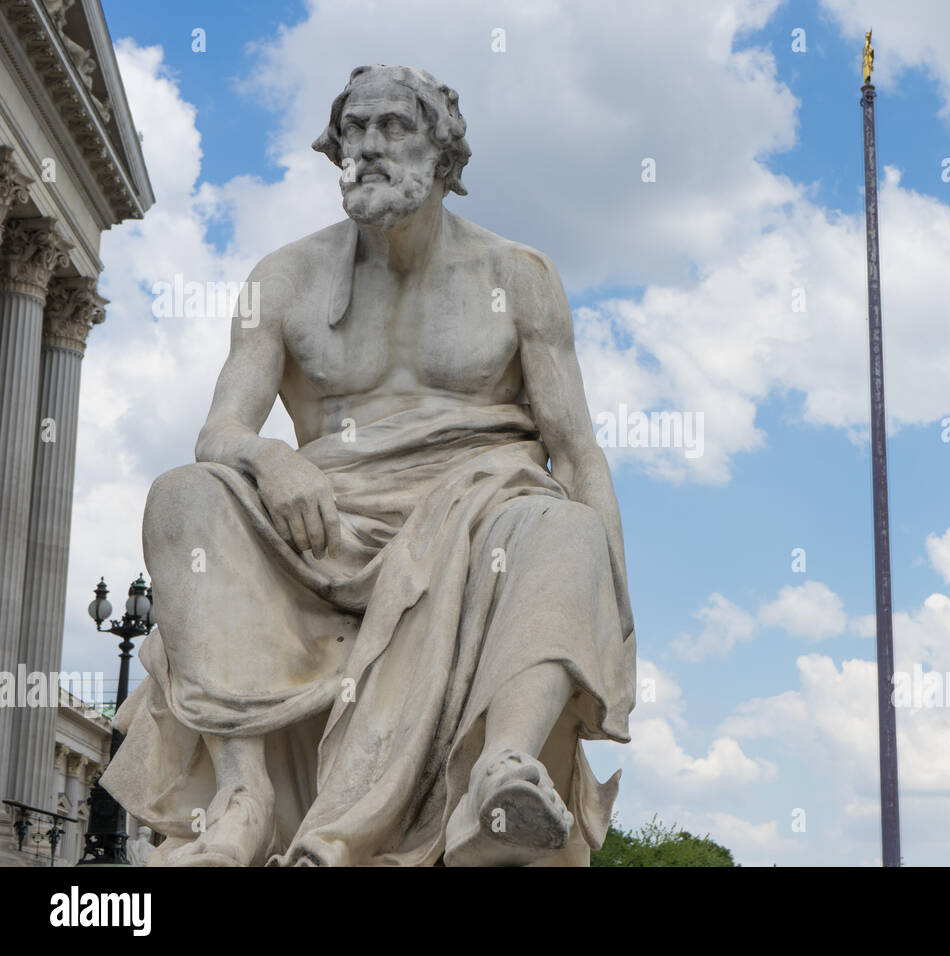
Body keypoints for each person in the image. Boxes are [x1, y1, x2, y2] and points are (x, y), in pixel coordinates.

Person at [101, 65, 636, 867]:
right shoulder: (283, 278)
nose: (370, 146)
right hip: (321, 518)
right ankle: (244, 799)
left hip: (479, 508)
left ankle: (503, 769)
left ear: (442, 150)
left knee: (564, 524)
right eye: (354, 130)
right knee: (184, 496)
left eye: (394, 128)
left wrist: (616, 602)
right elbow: (219, 430)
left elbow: (577, 445)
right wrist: (268, 457)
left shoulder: (517, 278)